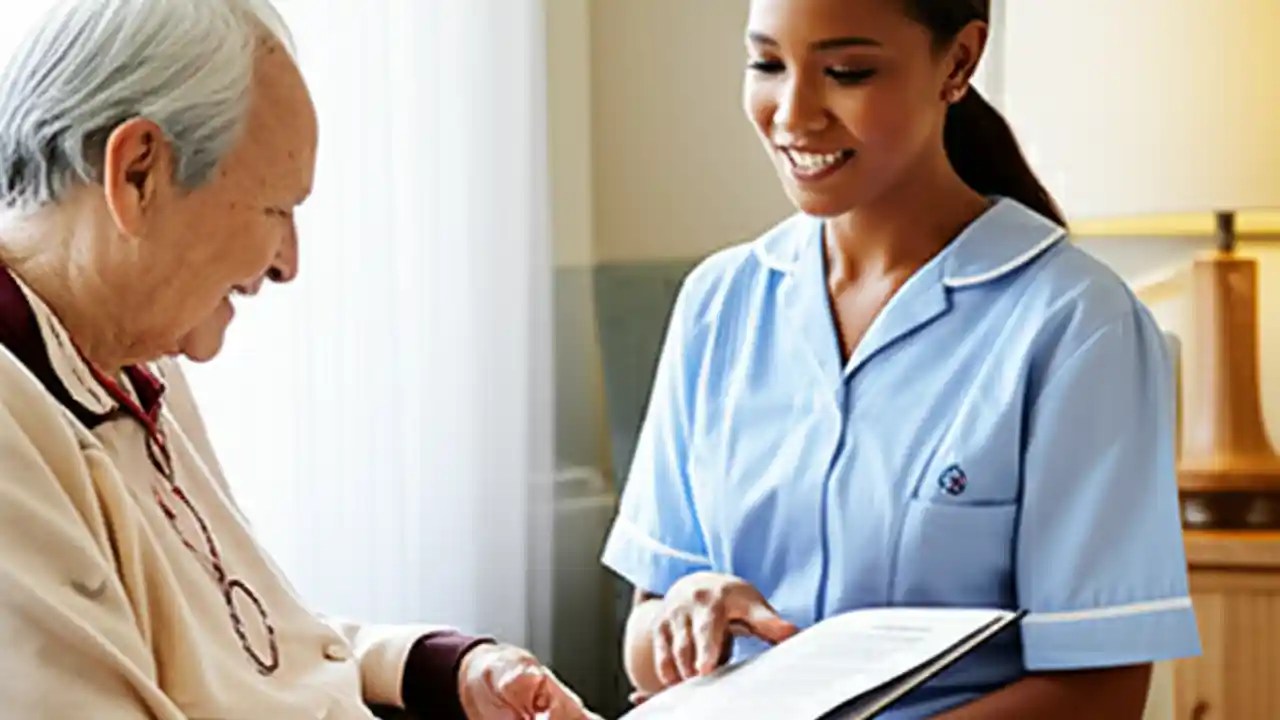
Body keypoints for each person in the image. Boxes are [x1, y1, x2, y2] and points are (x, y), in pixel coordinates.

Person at [600, 0, 1200, 717]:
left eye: (847, 71)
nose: (793, 114)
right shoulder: (718, 302)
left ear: (958, 62)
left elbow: (1099, 694)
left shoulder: (1076, 325)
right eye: (766, 64)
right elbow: (644, 630)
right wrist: (684, 618)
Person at [0, 2, 598, 719]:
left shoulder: (132, 363)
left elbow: (234, 651)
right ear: (137, 173)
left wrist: (442, 667)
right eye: (275, 210)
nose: (288, 263)